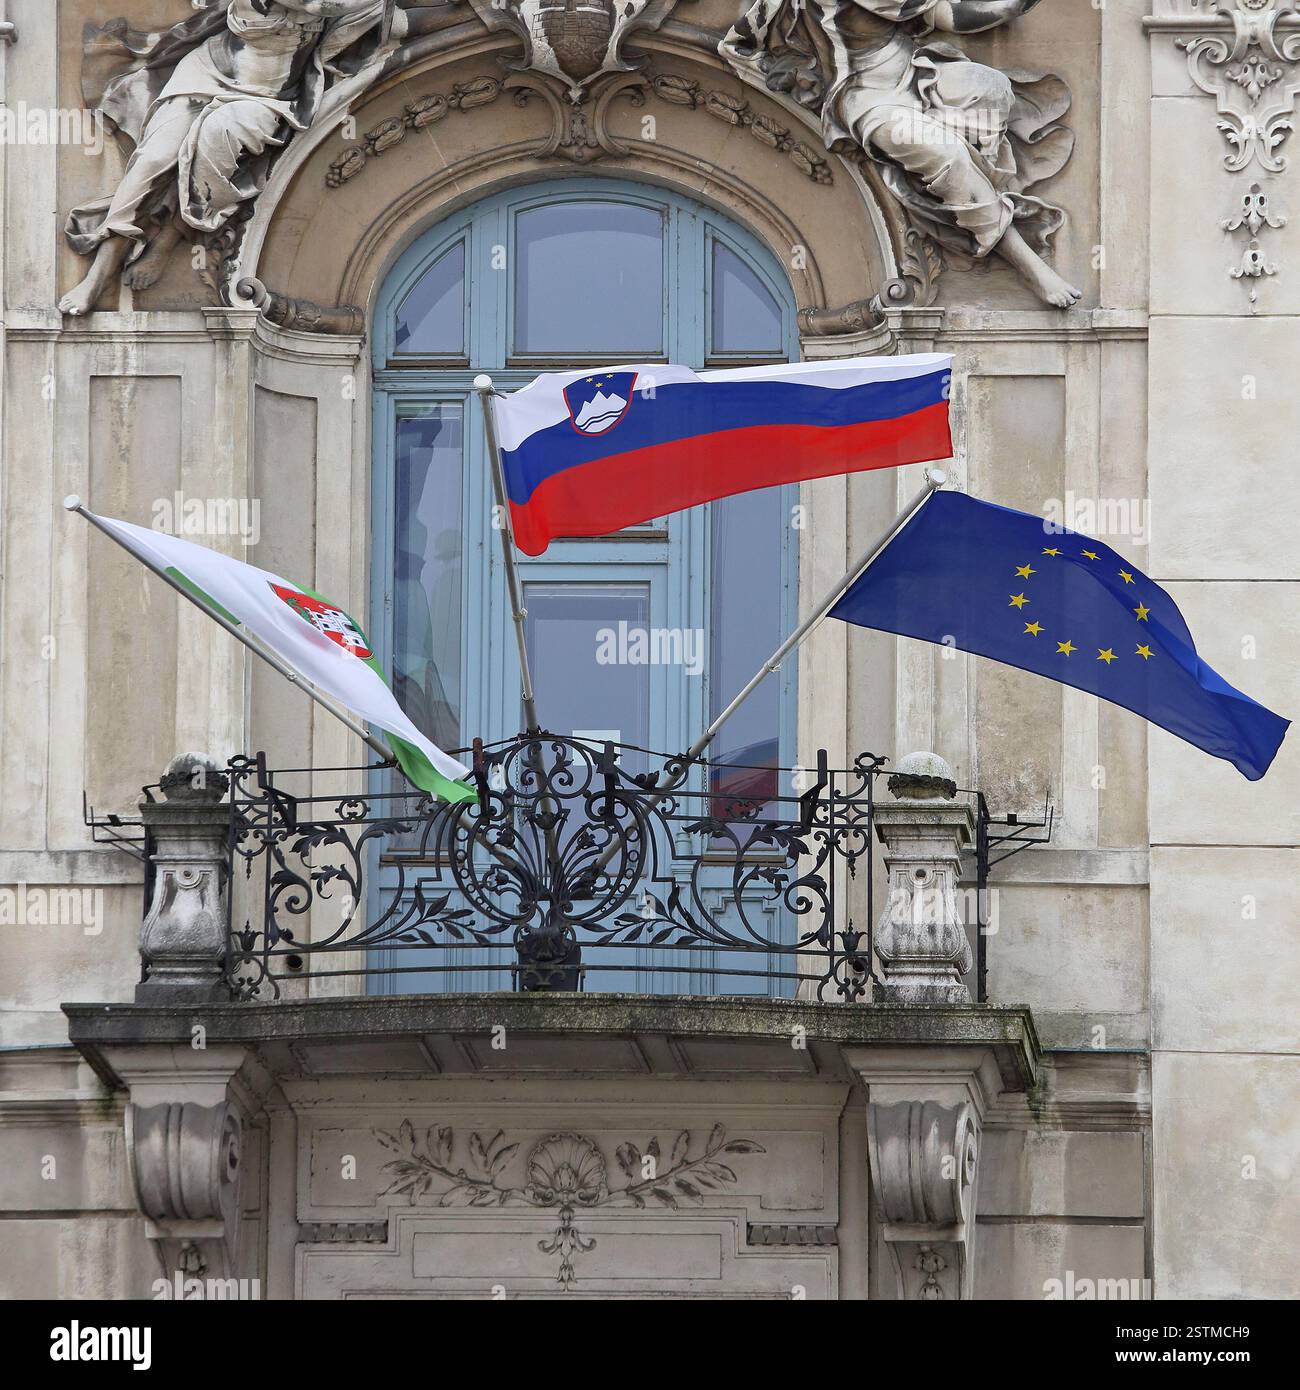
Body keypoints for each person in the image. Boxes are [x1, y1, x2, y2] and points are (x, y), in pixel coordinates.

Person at [60, 0, 411, 315]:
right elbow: (323, 6)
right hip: (207, 73)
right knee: (152, 159)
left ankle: (170, 238)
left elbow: (397, 22)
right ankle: (99, 274)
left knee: (218, 144)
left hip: (266, 98)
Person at [721, 0, 1081, 306]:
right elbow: (954, 15)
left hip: (918, 72)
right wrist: (794, 79)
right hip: (869, 100)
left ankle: (976, 191)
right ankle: (1027, 263)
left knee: (993, 87)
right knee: (949, 157)